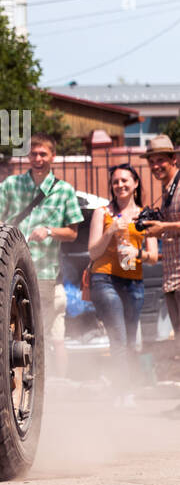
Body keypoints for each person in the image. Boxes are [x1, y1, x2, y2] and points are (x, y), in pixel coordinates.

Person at [0, 133, 84, 342]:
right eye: (33, 154)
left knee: (38, 332)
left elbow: (72, 233)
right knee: (7, 328)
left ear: (53, 157)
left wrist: (49, 231)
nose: (38, 159)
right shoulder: (12, 184)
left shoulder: (64, 190)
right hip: (10, 269)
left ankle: (37, 373)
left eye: (43, 154)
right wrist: (4, 233)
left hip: (44, 273)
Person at [85, 163, 158, 403]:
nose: (120, 185)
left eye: (125, 180)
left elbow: (153, 256)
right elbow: (93, 253)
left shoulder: (145, 215)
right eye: (115, 181)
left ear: (136, 183)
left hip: (133, 282)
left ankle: (123, 386)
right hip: (104, 279)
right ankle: (123, 392)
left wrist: (136, 253)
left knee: (129, 339)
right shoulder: (102, 213)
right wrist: (110, 232)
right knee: (118, 336)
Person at [139, 135, 180, 346]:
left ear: (173, 159)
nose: (156, 166)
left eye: (160, 160)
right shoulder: (167, 191)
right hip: (171, 275)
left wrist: (164, 227)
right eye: (151, 161)